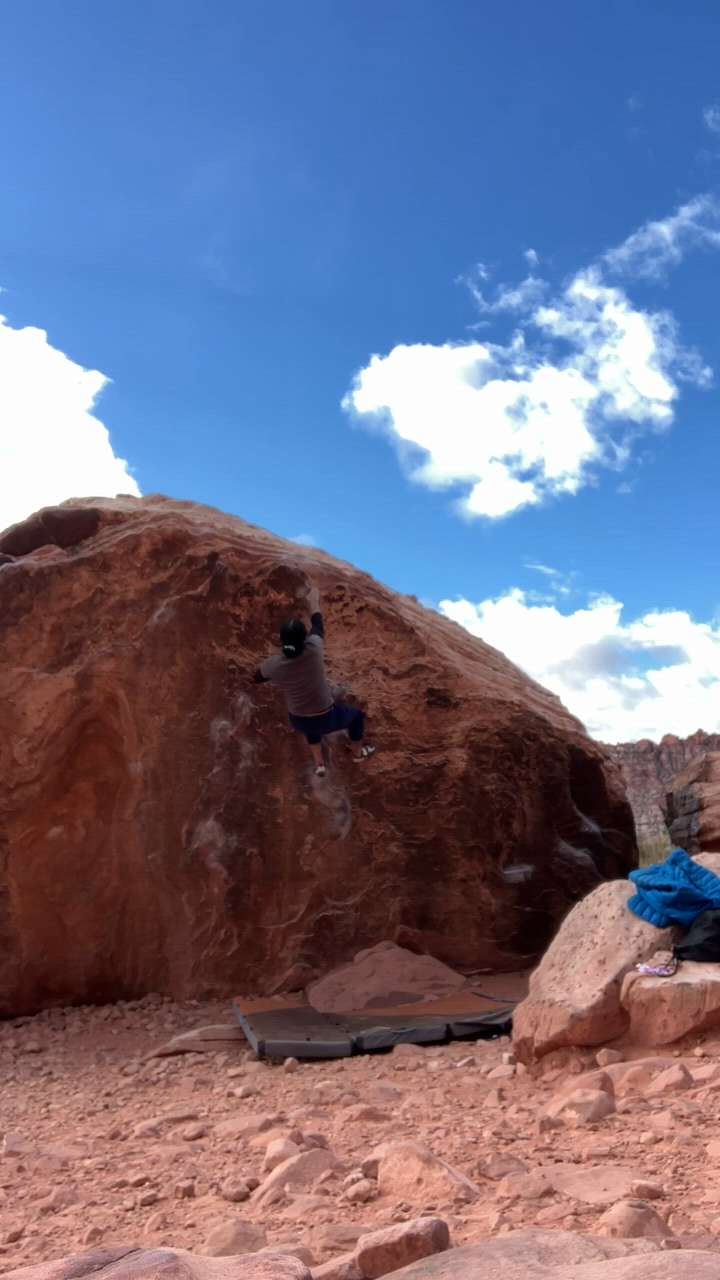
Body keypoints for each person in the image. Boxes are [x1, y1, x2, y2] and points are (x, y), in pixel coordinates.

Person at [253, 583, 375, 778]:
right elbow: (317, 625)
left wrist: (275, 671)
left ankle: (319, 764)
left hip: (298, 720)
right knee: (356, 717)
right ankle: (358, 754)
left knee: (310, 725)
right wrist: (313, 601)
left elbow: (257, 678)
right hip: (326, 716)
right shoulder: (314, 649)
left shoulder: (274, 664)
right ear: (304, 639)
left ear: (282, 641)